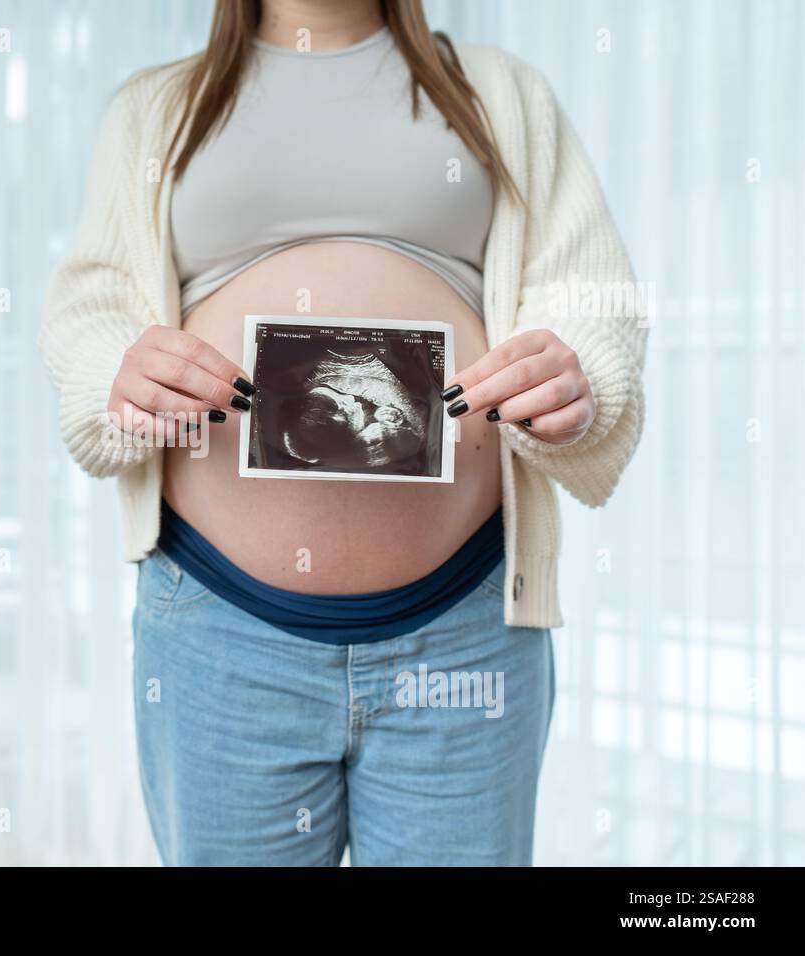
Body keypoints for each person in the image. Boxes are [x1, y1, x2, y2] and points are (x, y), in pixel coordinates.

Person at [39, 0, 647, 866]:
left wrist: (578, 376)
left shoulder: (503, 95)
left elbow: (590, 300)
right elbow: (89, 307)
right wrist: (116, 377)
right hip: (220, 635)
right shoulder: (153, 109)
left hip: (463, 626)